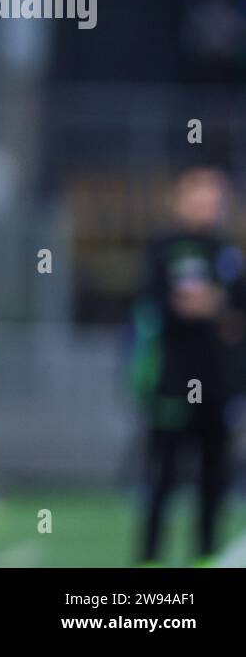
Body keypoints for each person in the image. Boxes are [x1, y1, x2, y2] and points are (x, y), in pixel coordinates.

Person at [133, 165, 244, 565]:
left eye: (214, 198)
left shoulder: (227, 252)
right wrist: (211, 308)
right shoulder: (164, 247)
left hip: (217, 386)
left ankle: (206, 556)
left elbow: (235, 314)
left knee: (214, 483)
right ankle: (147, 560)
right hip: (172, 383)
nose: (206, 206)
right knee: (162, 479)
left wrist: (212, 307)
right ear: (181, 199)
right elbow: (165, 305)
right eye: (199, 196)